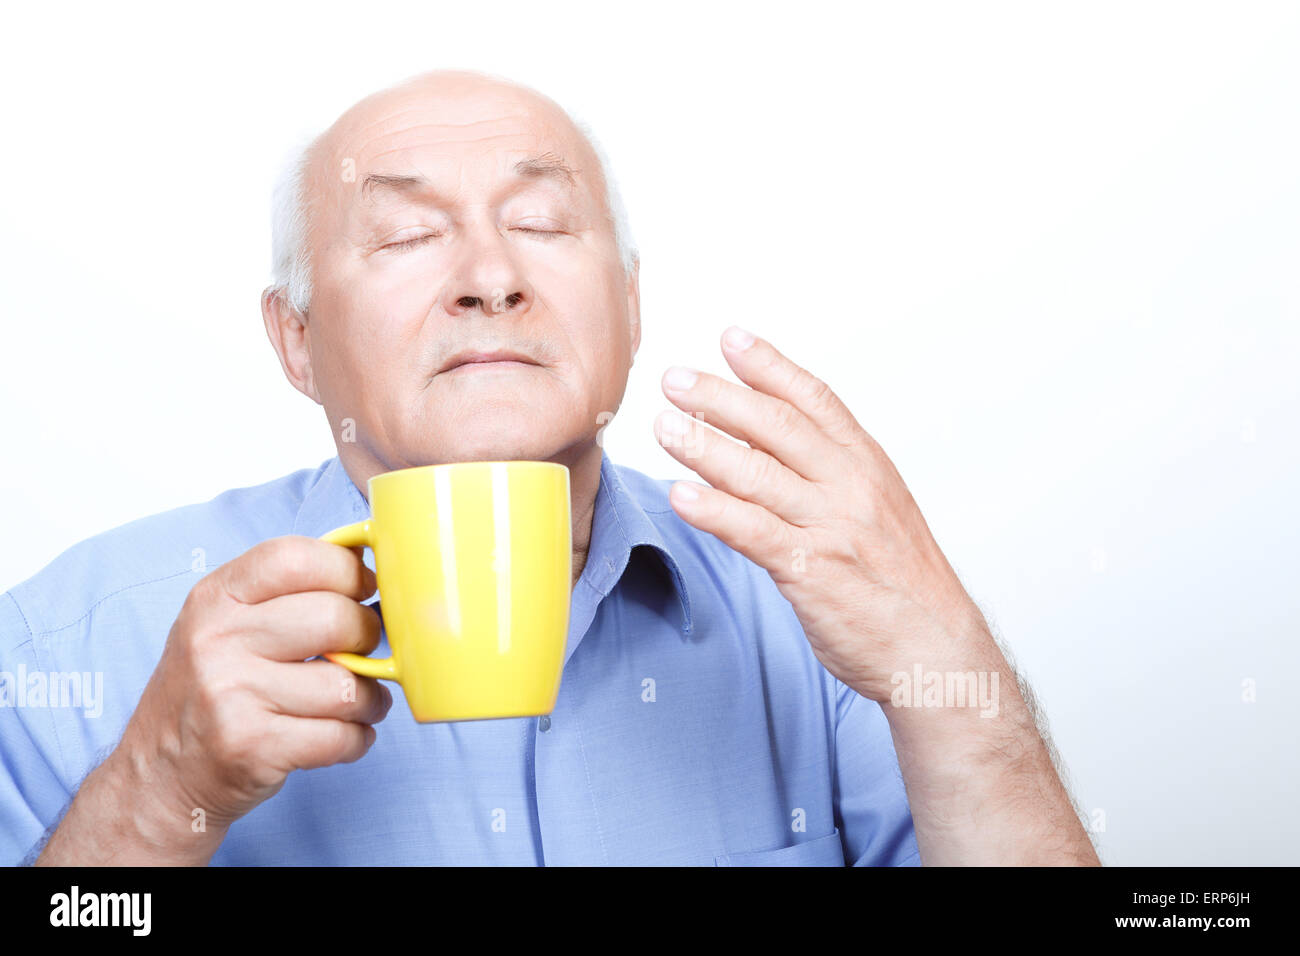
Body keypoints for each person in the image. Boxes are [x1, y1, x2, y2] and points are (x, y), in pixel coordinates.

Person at [0, 69, 1098, 866]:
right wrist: (155, 796)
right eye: (402, 235)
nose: (489, 276)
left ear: (628, 306)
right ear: (296, 341)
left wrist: (950, 669)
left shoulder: (820, 617)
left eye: (539, 221)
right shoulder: (70, 646)